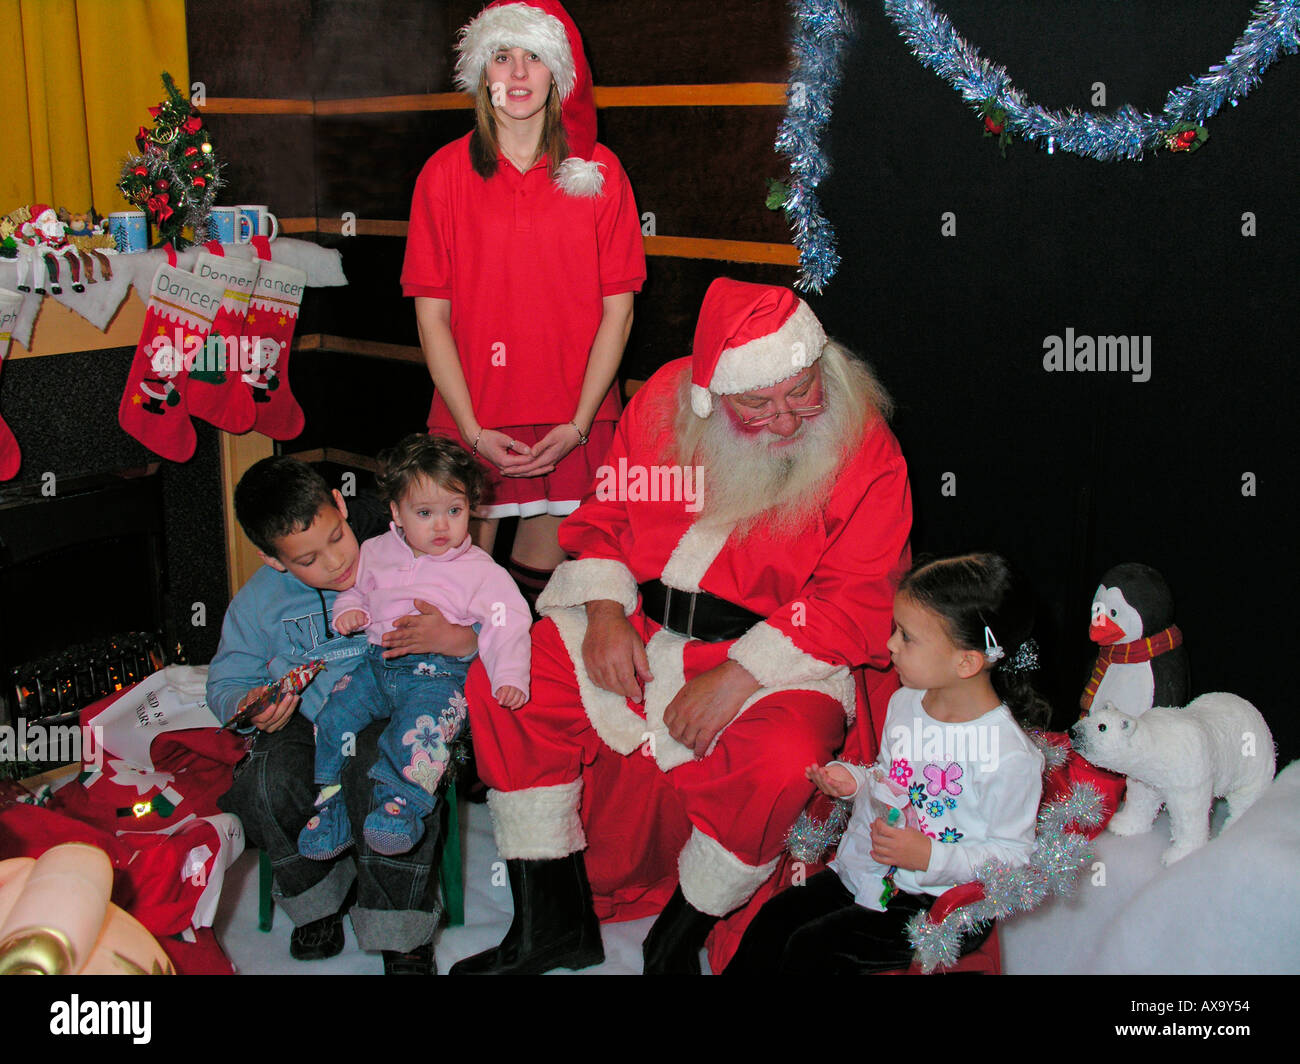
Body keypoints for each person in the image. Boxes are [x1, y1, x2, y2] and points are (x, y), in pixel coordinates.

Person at [450, 277, 913, 975]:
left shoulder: (865, 445)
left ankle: (676, 940)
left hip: (787, 651)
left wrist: (741, 673)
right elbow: (607, 515)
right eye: (758, 403)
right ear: (712, 398)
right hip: (644, 620)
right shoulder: (667, 403)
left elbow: (859, 596)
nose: (786, 420)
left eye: (802, 393)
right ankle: (551, 925)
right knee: (507, 683)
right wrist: (604, 611)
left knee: (786, 758)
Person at [401, 0, 647, 611]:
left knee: (544, 579)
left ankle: (516, 694)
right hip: (475, 410)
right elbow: (431, 317)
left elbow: (619, 311)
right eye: (502, 56)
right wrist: (472, 429)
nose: (516, 73)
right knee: (458, 583)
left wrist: (580, 423)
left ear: (559, 72)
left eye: (533, 56)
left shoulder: (603, 174)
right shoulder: (442, 174)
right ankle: (457, 702)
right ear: (481, 71)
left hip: (572, 415)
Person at [211, 457, 479, 975]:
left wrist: (456, 639)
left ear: (340, 504)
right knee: (266, 781)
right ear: (273, 560)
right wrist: (249, 706)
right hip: (307, 722)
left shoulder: (410, 556)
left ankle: (400, 928)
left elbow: (491, 624)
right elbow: (227, 680)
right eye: (307, 559)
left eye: (337, 537)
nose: (334, 563)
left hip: (397, 708)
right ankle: (318, 901)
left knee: (382, 777)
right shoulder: (256, 604)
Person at [725, 552, 1050, 974]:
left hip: (937, 905)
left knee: (813, 950)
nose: (891, 644)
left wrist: (931, 855)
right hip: (871, 873)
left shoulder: (1009, 755)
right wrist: (857, 782)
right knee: (776, 919)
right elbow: (894, 779)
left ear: (966, 661)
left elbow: (1013, 857)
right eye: (896, 629)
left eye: (907, 637)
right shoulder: (905, 703)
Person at [298, 435, 531, 861]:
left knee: (422, 729)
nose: (441, 527)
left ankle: (399, 805)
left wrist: (509, 674)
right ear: (397, 513)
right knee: (334, 714)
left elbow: (507, 622)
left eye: (454, 512)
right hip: (376, 664)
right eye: (425, 513)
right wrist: (349, 611)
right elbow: (357, 592)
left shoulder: (479, 571)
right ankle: (331, 800)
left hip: (439, 676)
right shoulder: (374, 551)